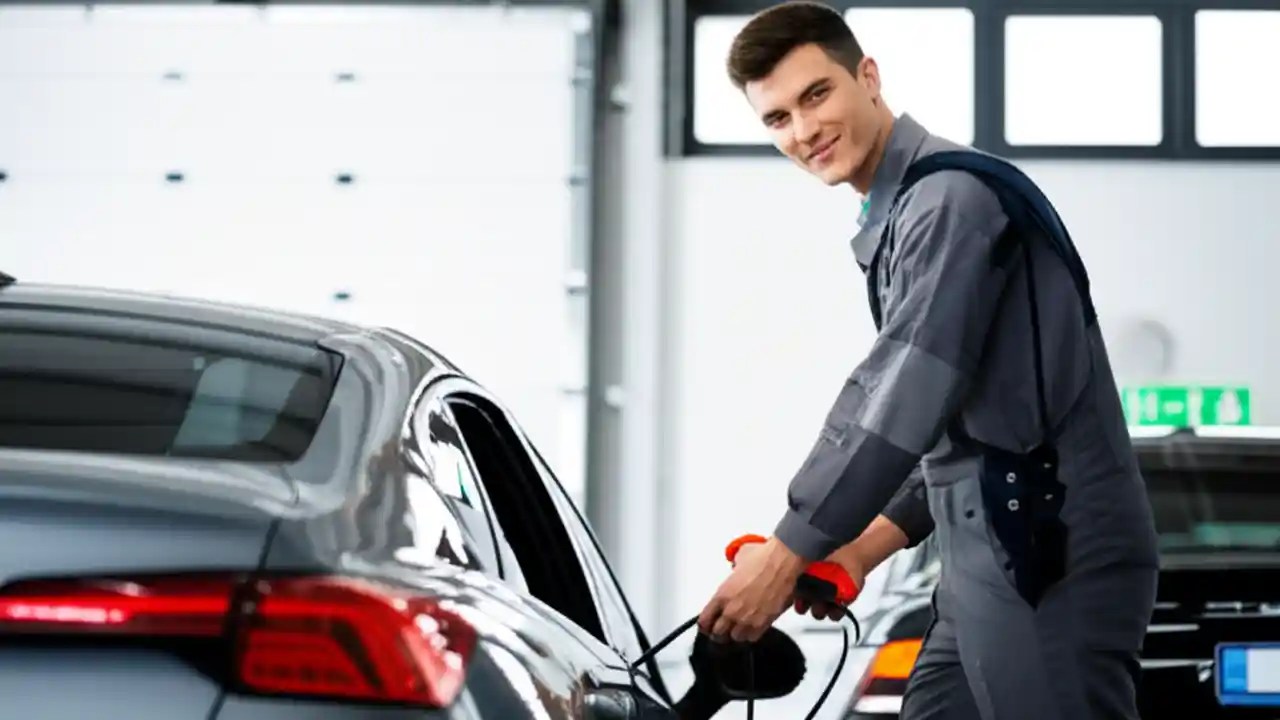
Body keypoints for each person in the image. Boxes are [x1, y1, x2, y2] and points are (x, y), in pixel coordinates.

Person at [694, 2, 1160, 718]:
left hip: (1047, 557)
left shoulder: (949, 202)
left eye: (816, 95)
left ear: (868, 77)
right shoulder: (905, 210)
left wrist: (788, 550)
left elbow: (899, 398)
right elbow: (953, 428)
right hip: (980, 561)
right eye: (778, 118)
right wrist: (857, 551)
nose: (804, 131)